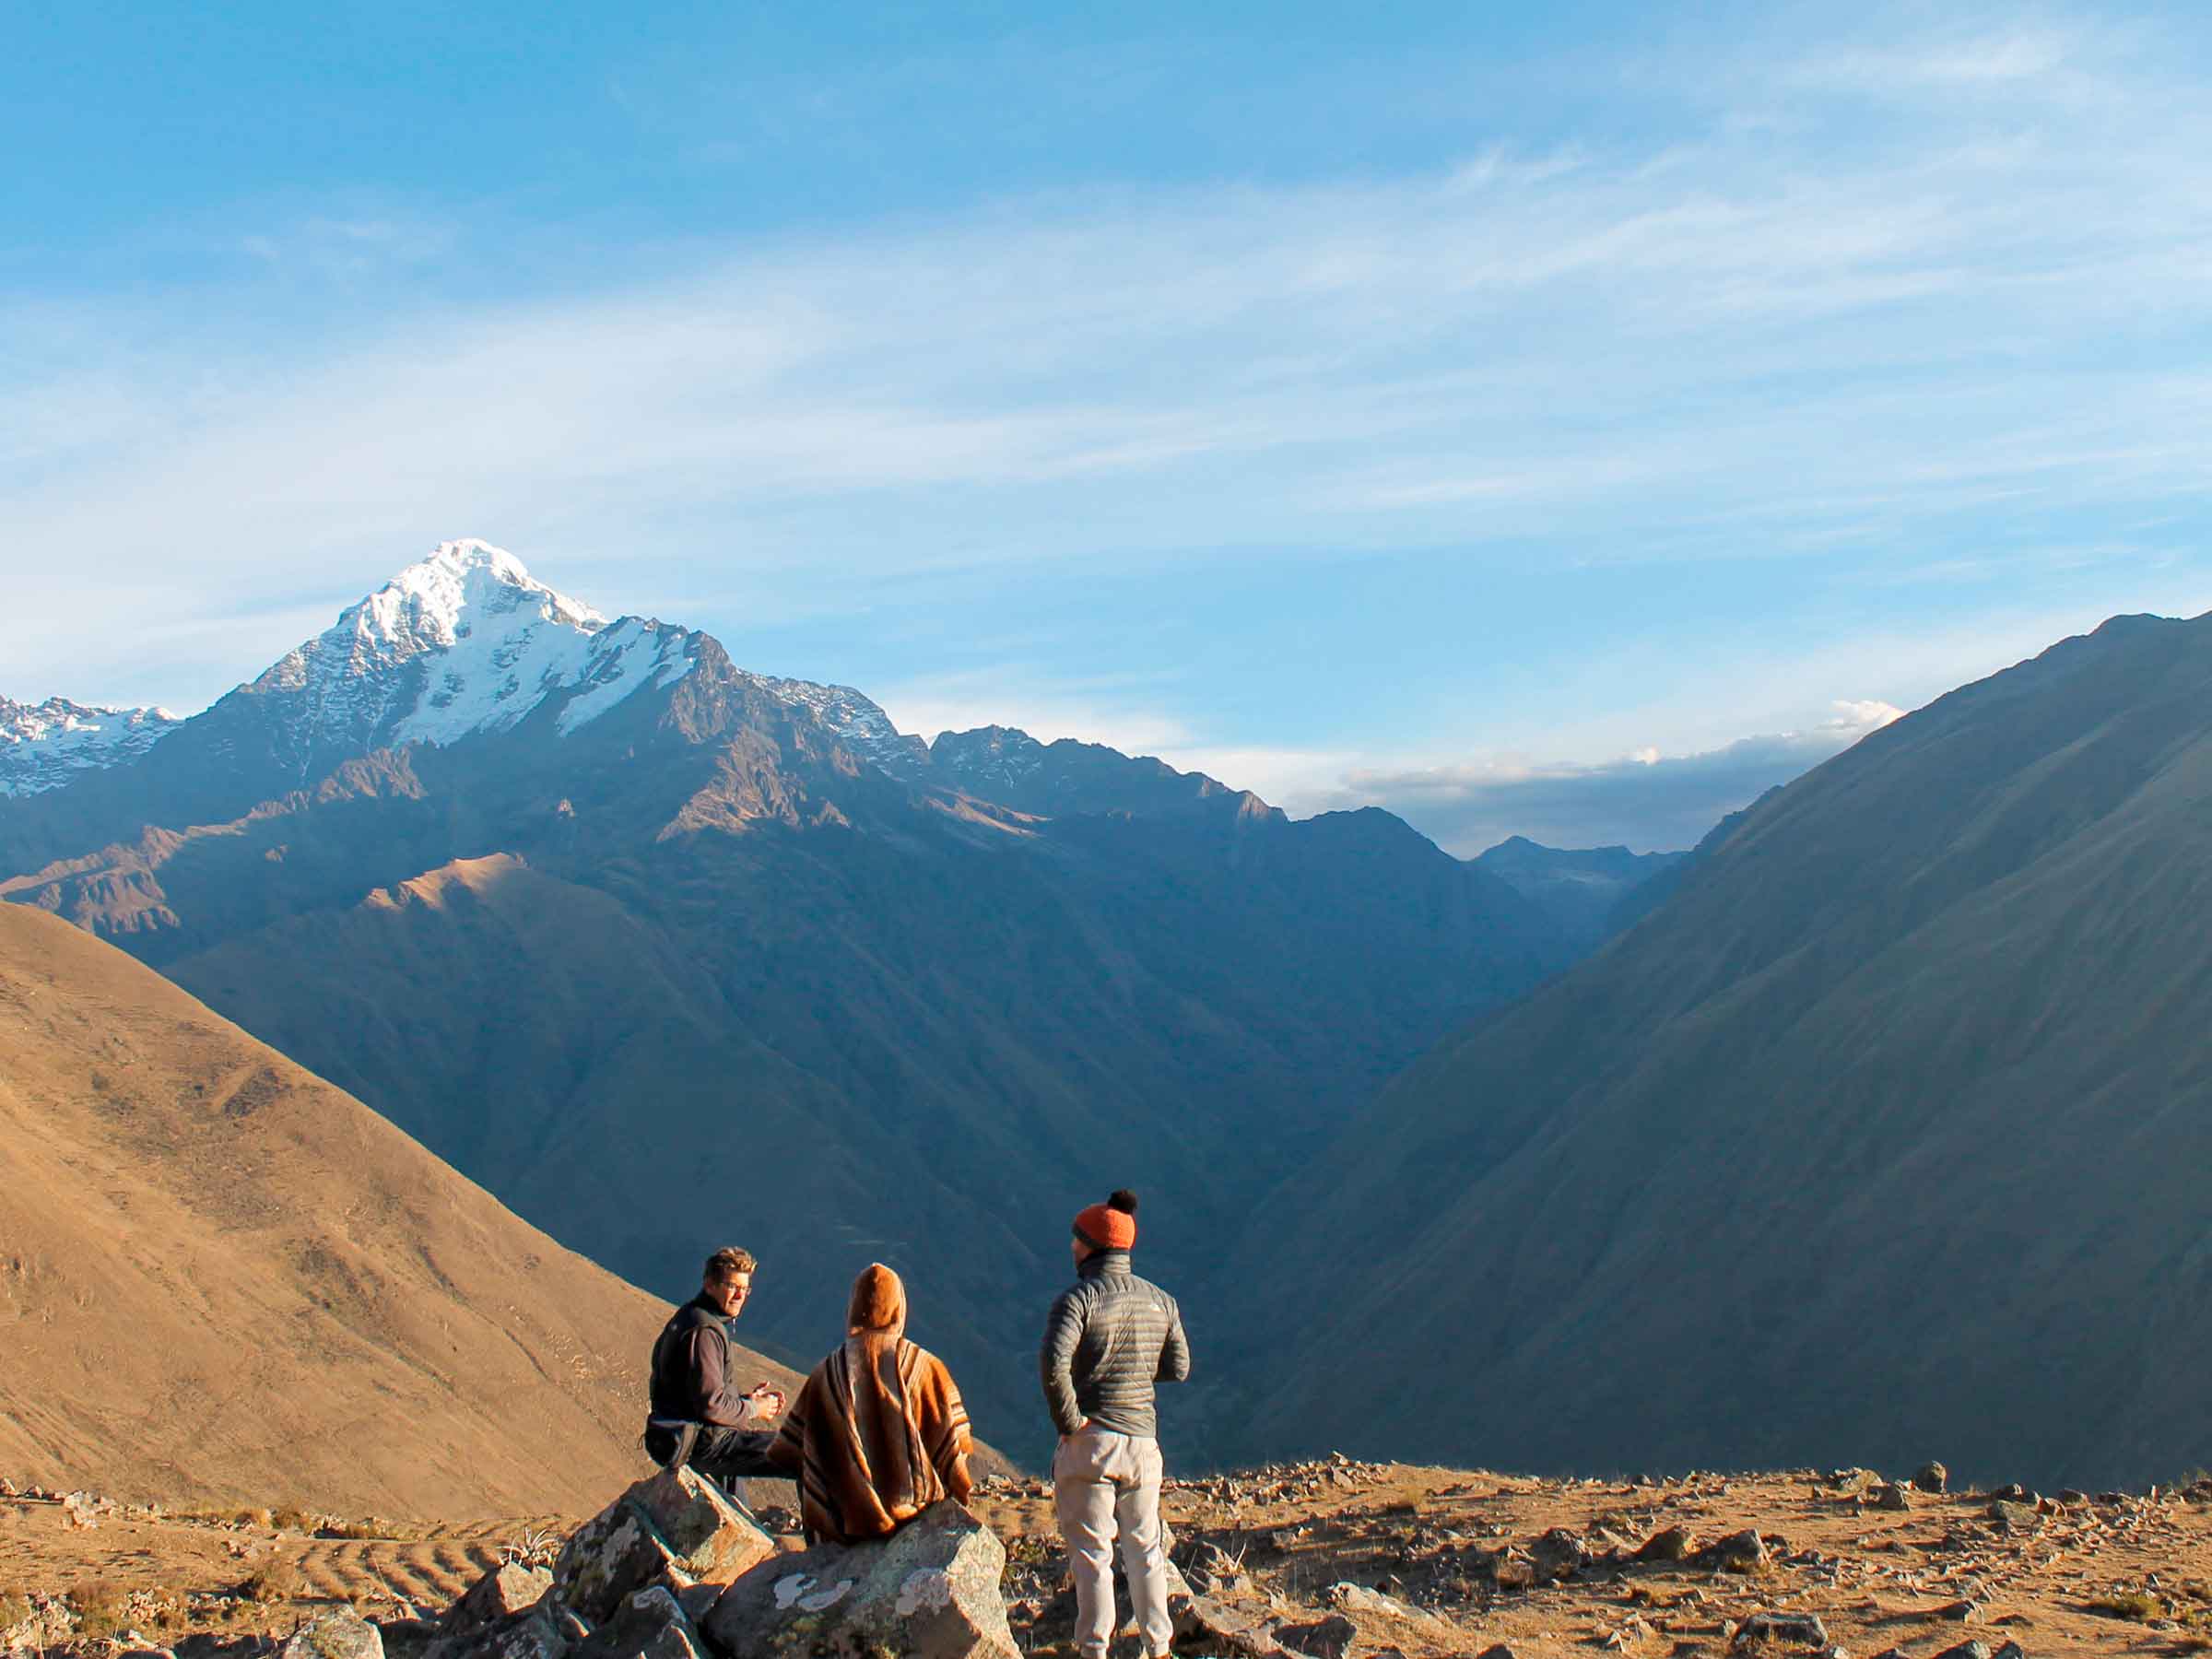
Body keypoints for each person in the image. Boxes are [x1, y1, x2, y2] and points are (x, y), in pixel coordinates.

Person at [1040, 1190, 1191, 1659]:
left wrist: (1070, 1421)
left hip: (1093, 1439)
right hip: (1143, 1443)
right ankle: (1158, 1646)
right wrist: (1137, 1373)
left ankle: (1094, 1650)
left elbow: (1053, 1363)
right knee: (1146, 1550)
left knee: (1092, 1556)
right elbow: (1179, 1367)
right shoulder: (1161, 1302)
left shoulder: (1078, 1300)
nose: (1071, 1247)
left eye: (1076, 1240)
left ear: (1090, 1247)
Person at [769, 1262, 976, 1544]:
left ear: (852, 1309)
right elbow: (955, 1445)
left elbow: (791, 1452)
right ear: (899, 1310)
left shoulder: (827, 1373)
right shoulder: (924, 1367)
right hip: (917, 1522)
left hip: (842, 1526)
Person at [644, 1245, 788, 1489]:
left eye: (745, 1289)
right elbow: (711, 1405)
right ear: (710, 1285)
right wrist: (754, 1407)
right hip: (702, 1443)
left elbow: (696, 1397)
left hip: (686, 1437)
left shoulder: (693, 1317)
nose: (740, 1296)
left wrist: (744, 1401)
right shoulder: (704, 1331)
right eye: (732, 1287)